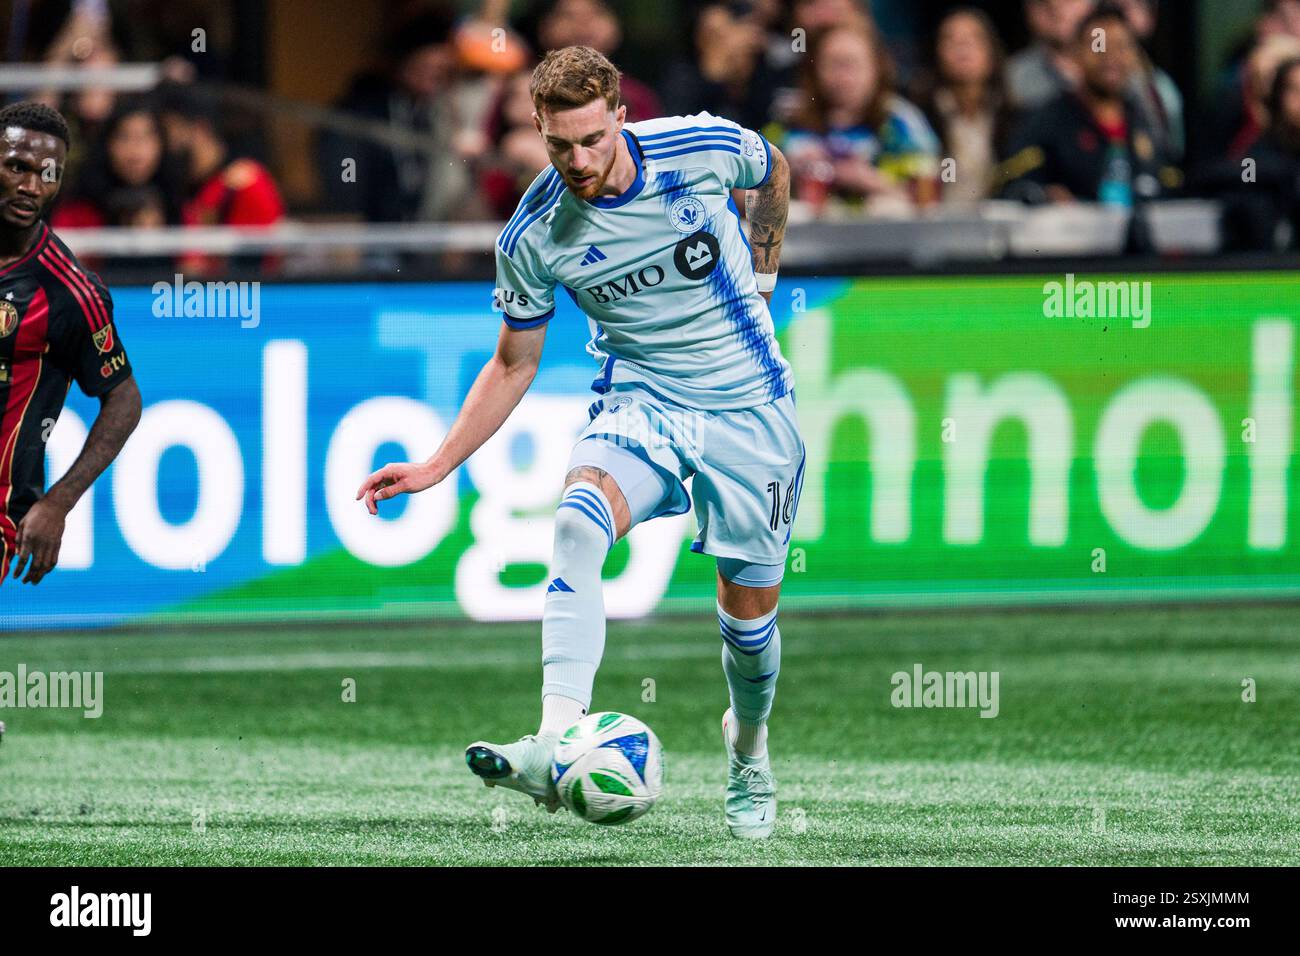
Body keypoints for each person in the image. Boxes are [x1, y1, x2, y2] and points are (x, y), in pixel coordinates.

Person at [356, 46, 800, 840]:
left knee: (749, 626)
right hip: (642, 401)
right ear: (537, 130)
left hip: (749, 406)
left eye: (594, 139)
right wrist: (435, 464)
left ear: (621, 118)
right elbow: (512, 363)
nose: (580, 160)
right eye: (560, 145)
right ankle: (555, 740)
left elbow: (773, 171)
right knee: (575, 522)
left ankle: (749, 749)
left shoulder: (696, 147)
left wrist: (762, 281)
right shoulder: (534, 234)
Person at [0, 102, 142, 587]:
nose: (31, 187)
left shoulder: (68, 291)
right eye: (17, 166)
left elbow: (124, 400)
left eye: (48, 173)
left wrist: (58, 502)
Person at [998, 3, 1180, 207]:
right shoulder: (1047, 119)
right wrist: (1044, 196)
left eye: (1122, 46)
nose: (1110, 57)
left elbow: (1171, 184)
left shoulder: (1145, 117)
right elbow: (1010, 181)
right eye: (1098, 45)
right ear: (1076, 54)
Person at [780, 17, 941, 214]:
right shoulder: (792, 120)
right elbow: (749, 193)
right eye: (832, 64)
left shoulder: (902, 121)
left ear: (876, 68)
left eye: (852, 64)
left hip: (888, 237)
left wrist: (871, 181)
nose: (842, 77)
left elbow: (928, 202)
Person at [912, 7, 1018, 205]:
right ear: (936, 51)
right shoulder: (918, 116)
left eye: (974, 38)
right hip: (933, 225)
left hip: (995, 226)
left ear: (992, 51)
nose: (962, 47)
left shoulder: (1015, 117)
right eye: (950, 40)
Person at [1006, 0, 1097, 110]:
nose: (1057, 11)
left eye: (1068, 1)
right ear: (1028, 13)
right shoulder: (1012, 79)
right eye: (1042, 2)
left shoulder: (1121, 65)